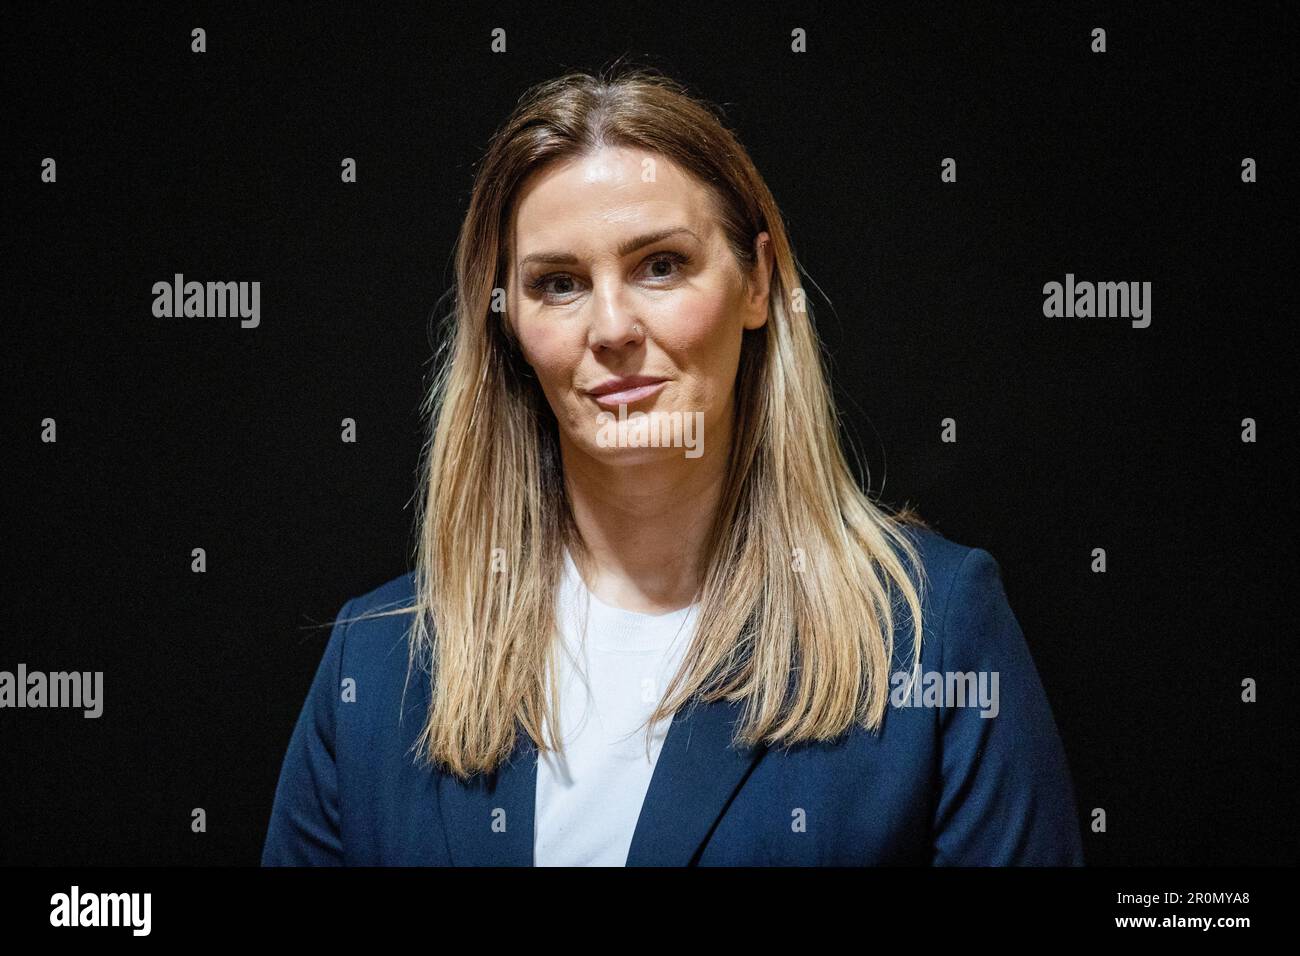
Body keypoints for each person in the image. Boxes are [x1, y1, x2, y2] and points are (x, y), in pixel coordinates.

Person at [261, 65, 1084, 866]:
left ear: (757, 283)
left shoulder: (932, 635)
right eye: (557, 283)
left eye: (661, 265)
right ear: (509, 324)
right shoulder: (376, 665)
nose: (612, 327)